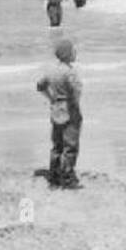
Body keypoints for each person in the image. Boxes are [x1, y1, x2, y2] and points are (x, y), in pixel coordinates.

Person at [36, 38, 82, 189]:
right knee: (71, 146)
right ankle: (68, 178)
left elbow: (40, 86)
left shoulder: (51, 71)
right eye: (73, 50)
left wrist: (51, 98)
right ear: (67, 54)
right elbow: (76, 93)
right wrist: (76, 108)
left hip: (56, 109)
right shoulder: (70, 72)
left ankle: (54, 176)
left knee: (57, 144)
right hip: (69, 109)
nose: (75, 52)